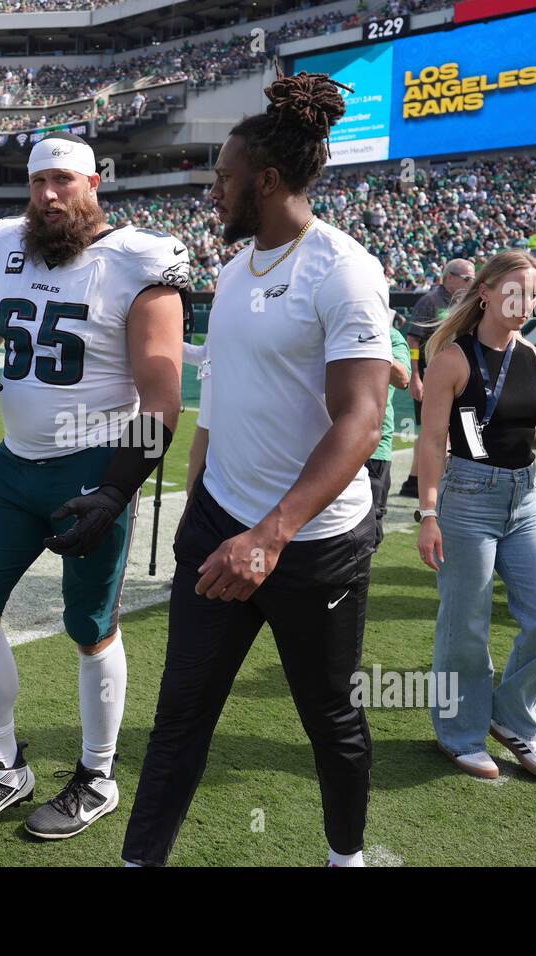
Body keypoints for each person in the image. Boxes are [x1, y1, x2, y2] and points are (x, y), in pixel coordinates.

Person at [122, 70, 392, 868]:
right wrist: (201, 487)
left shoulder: (344, 270)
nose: (213, 191)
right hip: (220, 523)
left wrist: (271, 535)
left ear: (267, 181)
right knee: (179, 716)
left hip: (309, 546)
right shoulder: (237, 270)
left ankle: (347, 858)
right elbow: (231, 392)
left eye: (224, 177)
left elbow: (362, 421)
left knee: (330, 720)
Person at [0, 131, 187, 844]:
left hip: (94, 464)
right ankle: (4, 763)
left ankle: (98, 775)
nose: (49, 195)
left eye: (64, 182)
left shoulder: (139, 263)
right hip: (15, 464)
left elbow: (162, 401)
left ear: (94, 184)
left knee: (88, 626)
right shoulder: (5, 246)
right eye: (39, 181)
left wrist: (113, 493)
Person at [417, 251, 536, 782]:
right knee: (465, 628)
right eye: (515, 292)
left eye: (533, 294)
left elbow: (525, 432)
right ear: (484, 292)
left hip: (522, 501)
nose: (526, 304)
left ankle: (510, 716)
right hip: (466, 498)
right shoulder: (452, 359)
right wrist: (428, 513)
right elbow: (435, 440)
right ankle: (458, 734)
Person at [397, 260, 474, 499]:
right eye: (467, 279)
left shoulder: (462, 302)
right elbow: (413, 341)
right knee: (439, 429)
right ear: (449, 277)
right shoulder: (429, 301)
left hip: (453, 375)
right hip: (432, 377)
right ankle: (441, 482)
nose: (471, 283)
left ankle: (413, 482)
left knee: (433, 429)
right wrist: (416, 376)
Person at [368, 316, 411, 548]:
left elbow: (402, 378)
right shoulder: (333, 330)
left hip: (375, 445)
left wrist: (371, 342)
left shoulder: (391, 336)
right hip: (333, 440)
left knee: (371, 519)